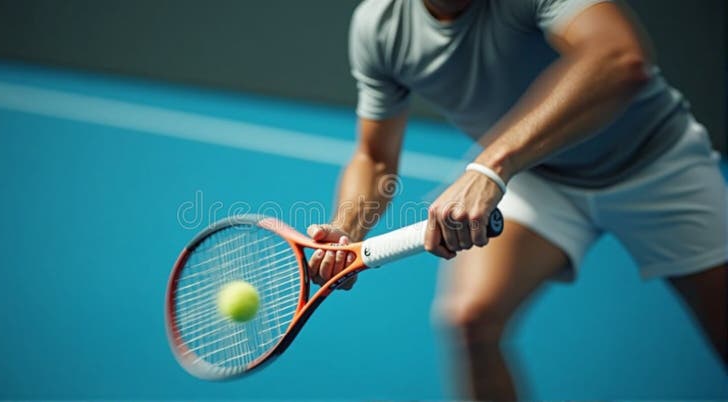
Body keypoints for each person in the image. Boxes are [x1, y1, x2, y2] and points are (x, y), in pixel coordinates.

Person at [306, 0, 728, 399]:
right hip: (538, 173)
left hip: (656, 162)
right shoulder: (379, 24)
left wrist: (491, 167)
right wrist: (347, 228)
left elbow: (619, 57)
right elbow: (375, 158)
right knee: (469, 318)